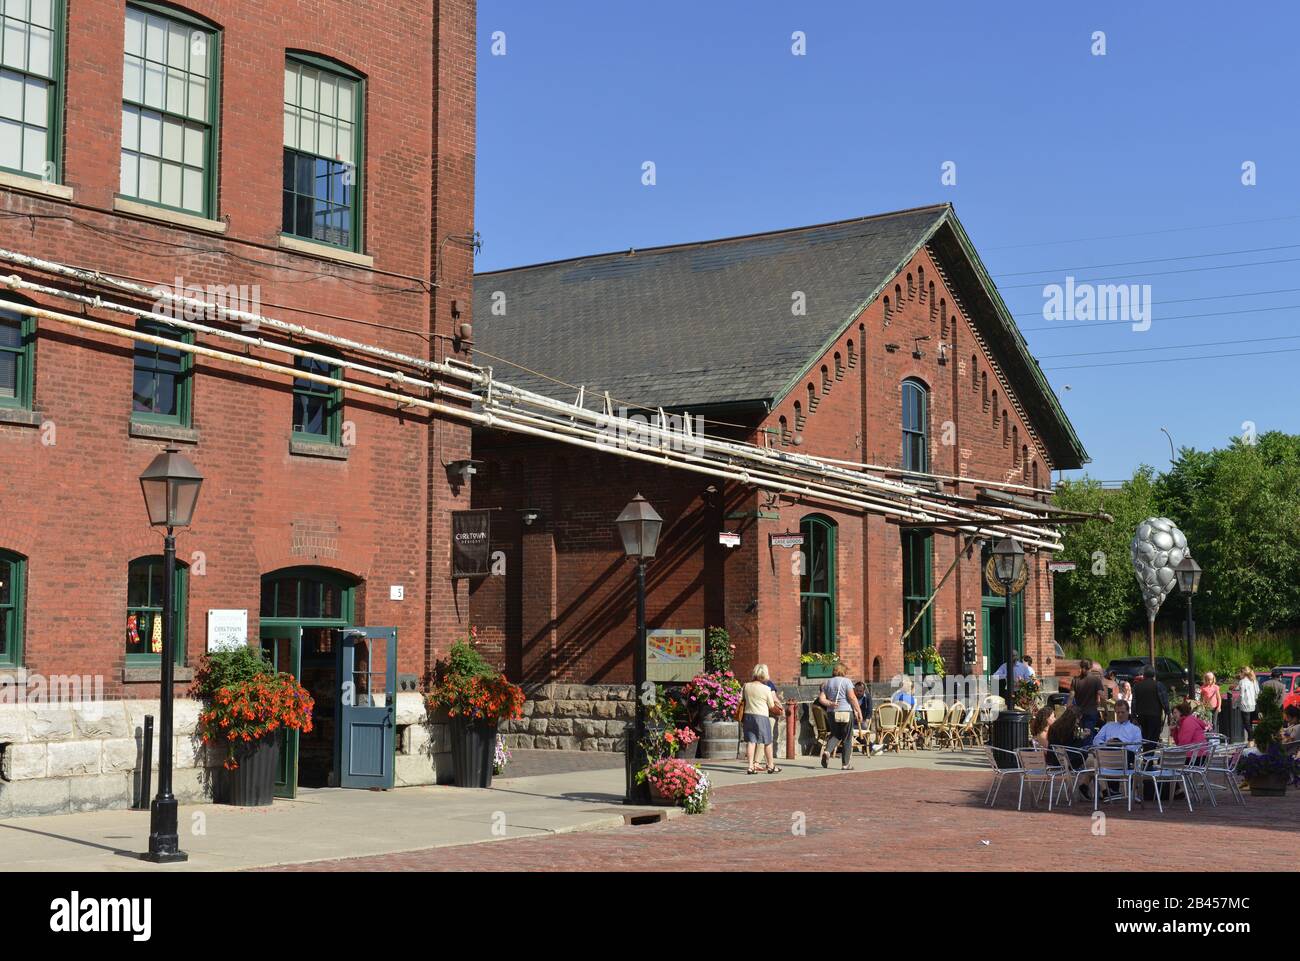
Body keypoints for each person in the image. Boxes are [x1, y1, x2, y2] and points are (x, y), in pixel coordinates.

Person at [819, 662, 863, 770]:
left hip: (831, 712)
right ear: (843, 671)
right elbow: (852, 698)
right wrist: (859, 711)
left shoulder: (827, 683)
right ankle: (845, 764)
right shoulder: (846, 681)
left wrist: (830, 703)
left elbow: (821, 699)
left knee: (836, 734)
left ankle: (827, 751)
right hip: (845, 711)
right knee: (847, 737)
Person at [741, 664, 782, 775]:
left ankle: (750, 767)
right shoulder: (766, 689)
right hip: (762, 717)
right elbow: (771, 705)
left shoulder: (746, 686)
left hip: (748, 716)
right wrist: (779, 710)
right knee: (767, 742)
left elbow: (741, 700)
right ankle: (771, 765)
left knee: (751, 741)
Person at [1129, 668, 1166, 746]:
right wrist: (1168, 712)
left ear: (1144, 675)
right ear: (1153, 675)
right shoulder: (1158, 685)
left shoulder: (1137, 686)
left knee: (1144, 736)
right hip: (1155, 715)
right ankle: (1149, 754)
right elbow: (1164, 700)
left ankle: (1146, 754)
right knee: (1153, 737)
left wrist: (1133, 716)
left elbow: (1134, 703)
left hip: (1141, 715)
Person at [1072, 661, 1104, 732]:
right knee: (1088, 734)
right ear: (1090, 667)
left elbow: (1071, 696)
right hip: (1091, 712)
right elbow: (1102, 695)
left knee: (1080, 734)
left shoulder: (1075, 680)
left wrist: (1069, 709)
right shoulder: (1096, 680)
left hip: (1079, 713)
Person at [1235, 667, 1259, 733]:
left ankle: (1252, 736)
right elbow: (1257, 692)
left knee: (1246, 724)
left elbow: (1241, 695)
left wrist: (1235, 705)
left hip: (1245, 704)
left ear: (1243, 673)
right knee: (1250, 723)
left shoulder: (1242, 681)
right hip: (1253, 704)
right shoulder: (1254, 680)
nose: (1239, 674)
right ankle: (1250, 739)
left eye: (1240, 672)